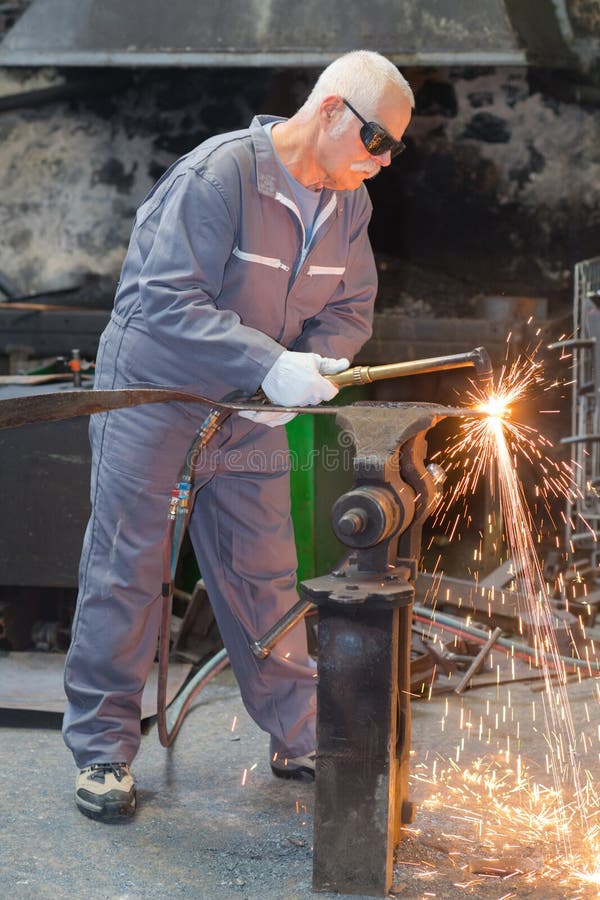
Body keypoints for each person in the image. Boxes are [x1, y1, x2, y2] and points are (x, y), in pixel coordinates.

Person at [63, 49, 414, 821]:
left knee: (264, 566)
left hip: (250, 406)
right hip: (157, 395)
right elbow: (163, 300)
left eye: (394, 148)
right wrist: (268, 362)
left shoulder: (347, 204)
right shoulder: (219, 177)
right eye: (375, 141)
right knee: (129, 565)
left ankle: (299, 734)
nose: (381, 162)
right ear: (329, 109)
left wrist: (309, 367)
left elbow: (350, 307)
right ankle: (102, 751)